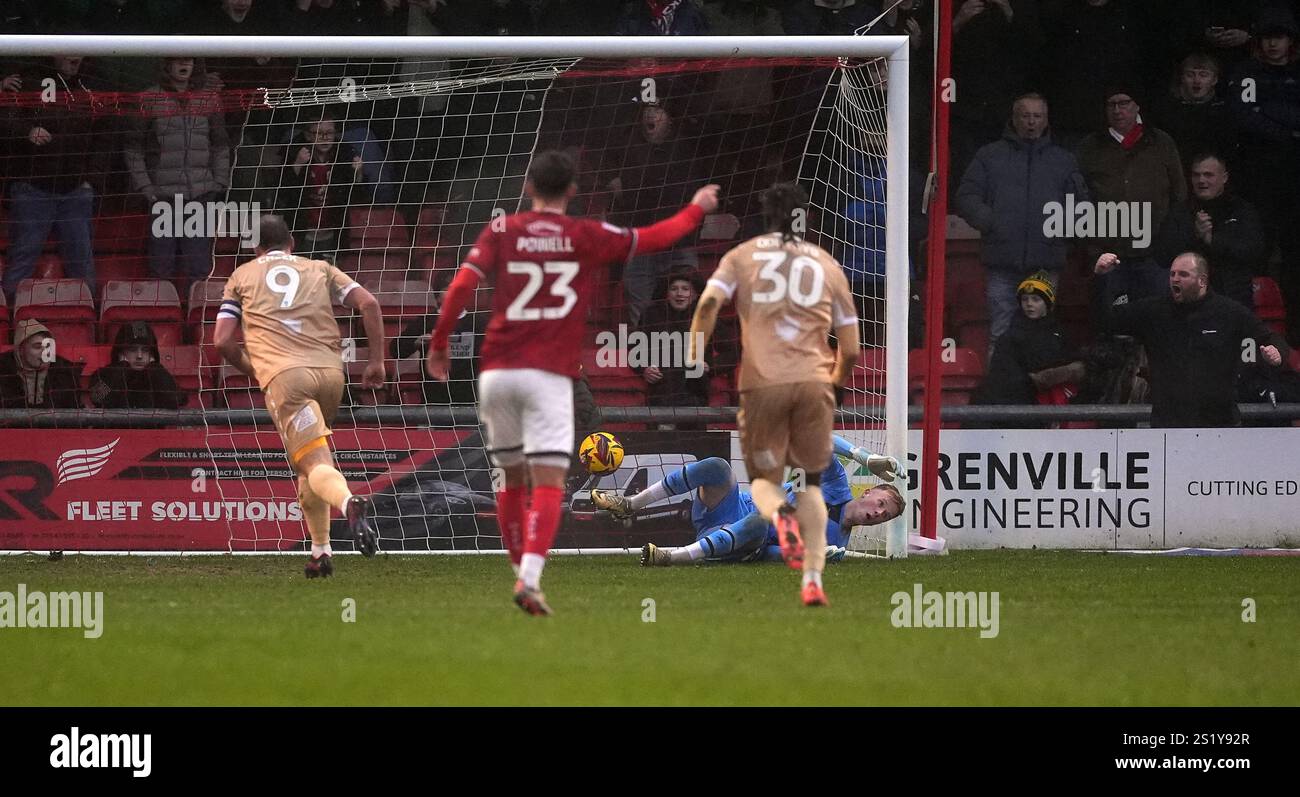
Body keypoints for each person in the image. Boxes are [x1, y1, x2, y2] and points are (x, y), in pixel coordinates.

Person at [425, 149, 719, 616]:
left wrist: (440, 342)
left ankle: (517, 562)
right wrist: (698, 208)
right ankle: (529, 577)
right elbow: (654, 237)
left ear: (527, 188)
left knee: (509, 477)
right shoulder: (584, 234)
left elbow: (461, 286)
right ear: (574, 191)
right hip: (549, 376)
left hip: (500, 372)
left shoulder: (503, 230)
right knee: (547, 480)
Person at [688, 181, 858, 607]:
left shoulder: (741, 257)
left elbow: (708, 306)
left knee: (766, 484)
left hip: (763, 385)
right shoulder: (826, 264)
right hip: (813, 384)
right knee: (815, 487)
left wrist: (696, 350)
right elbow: (852, 348)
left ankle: (779, 519)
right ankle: (814, 579)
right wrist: (835, 386)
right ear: (806, 219)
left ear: (766, 218)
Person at [214, 215, 386, 578]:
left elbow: (222, 341)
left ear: (257, 249)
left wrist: (254, 368)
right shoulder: (320, 268)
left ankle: (348, 503)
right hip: (330, 375)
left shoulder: (242, 276)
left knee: (316, 462)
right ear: (292, 244)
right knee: (311, 459)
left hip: (287, 378)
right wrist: (376, 362)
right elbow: (369, 303)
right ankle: (320, 551)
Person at [590, 435, 901, 566]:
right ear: (869, 492)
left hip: (741, 539)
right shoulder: (834, 483)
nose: (877, 513)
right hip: (727, 505)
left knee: (765, 517)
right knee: (717, 467)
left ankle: (672, 558)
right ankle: (629, 504)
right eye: (881, 504)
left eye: (884, 516)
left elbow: (772, 553)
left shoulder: (834, 545)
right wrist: (864, 456)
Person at [1093, 251, 1289, 427]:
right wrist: (1102, 279)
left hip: (1219, 425)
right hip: (1168, 425)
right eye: (1172, 274)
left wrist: (1276, 352)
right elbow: (1108, 322)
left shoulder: (1228, 312)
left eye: (1183, 275)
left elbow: (1268, 335)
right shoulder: (1153, 311)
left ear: (1202, 281)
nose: (1175, 279)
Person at [955, 92, 1088, 346]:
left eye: (1037, 116)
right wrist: (991, 222)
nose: (1031, 122)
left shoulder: (1064, 161)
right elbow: (967, 195)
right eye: (1025, 116)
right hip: (1002, 262)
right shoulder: (989, 156)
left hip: (1045, 262)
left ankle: (1039, 387)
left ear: (1046, 120)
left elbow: (1080, 205)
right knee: (1001, 332)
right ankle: (1002, 387)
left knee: (1042, 333)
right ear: (1014, 119)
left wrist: (1060, 234)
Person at [1153, 153, 1267, 310]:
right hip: (1188, 302)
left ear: (1224, 178)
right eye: (1196, 175)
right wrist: (1195, 235)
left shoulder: (1242, 211)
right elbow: (1163, 255)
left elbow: (1254, 252)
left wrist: (1212, 241)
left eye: (1208, 175)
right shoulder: (1180, 212)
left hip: (1232, 298)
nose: (1201, 181)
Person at [973, 273, 1084, 412]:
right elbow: (1005, 379)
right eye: (1025, 299)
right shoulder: (1009, 337)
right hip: (1019, 404)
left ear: (1047, 303)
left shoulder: (1060, 334)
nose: (1029, 304)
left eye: (1036, 299)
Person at [88, 321, 185, 409]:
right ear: (121, 352)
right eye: (133, 350)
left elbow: (177, 400)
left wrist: (155, 368)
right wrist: (121, 367)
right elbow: (97, 398)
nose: (139, 356)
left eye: (145, 350)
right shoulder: (102, 375)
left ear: (152, 354)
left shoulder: (159, 377)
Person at [0, 320, 81, 410]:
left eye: (48, 347)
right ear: (21, 350)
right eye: (37, 347)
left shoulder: (66, 373)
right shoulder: (3, 370)